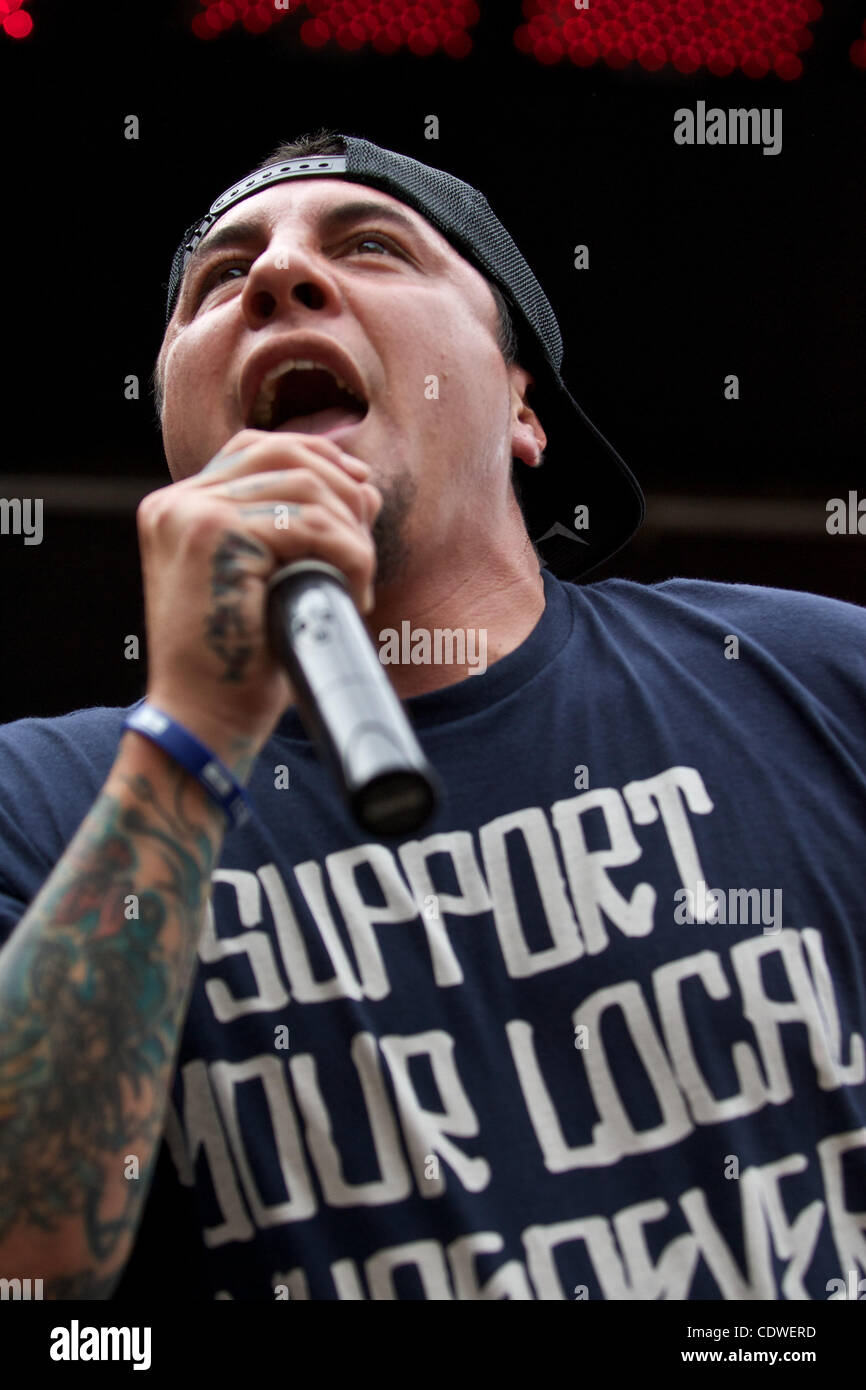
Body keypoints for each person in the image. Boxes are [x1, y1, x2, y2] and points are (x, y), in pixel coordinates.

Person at [0, 130, 864, 1303]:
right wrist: (187, 746)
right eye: (216, 278)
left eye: (371, 246)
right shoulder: (40, 810)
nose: (274, 279)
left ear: (521, 402)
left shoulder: (816, 677)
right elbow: (24, 1265)